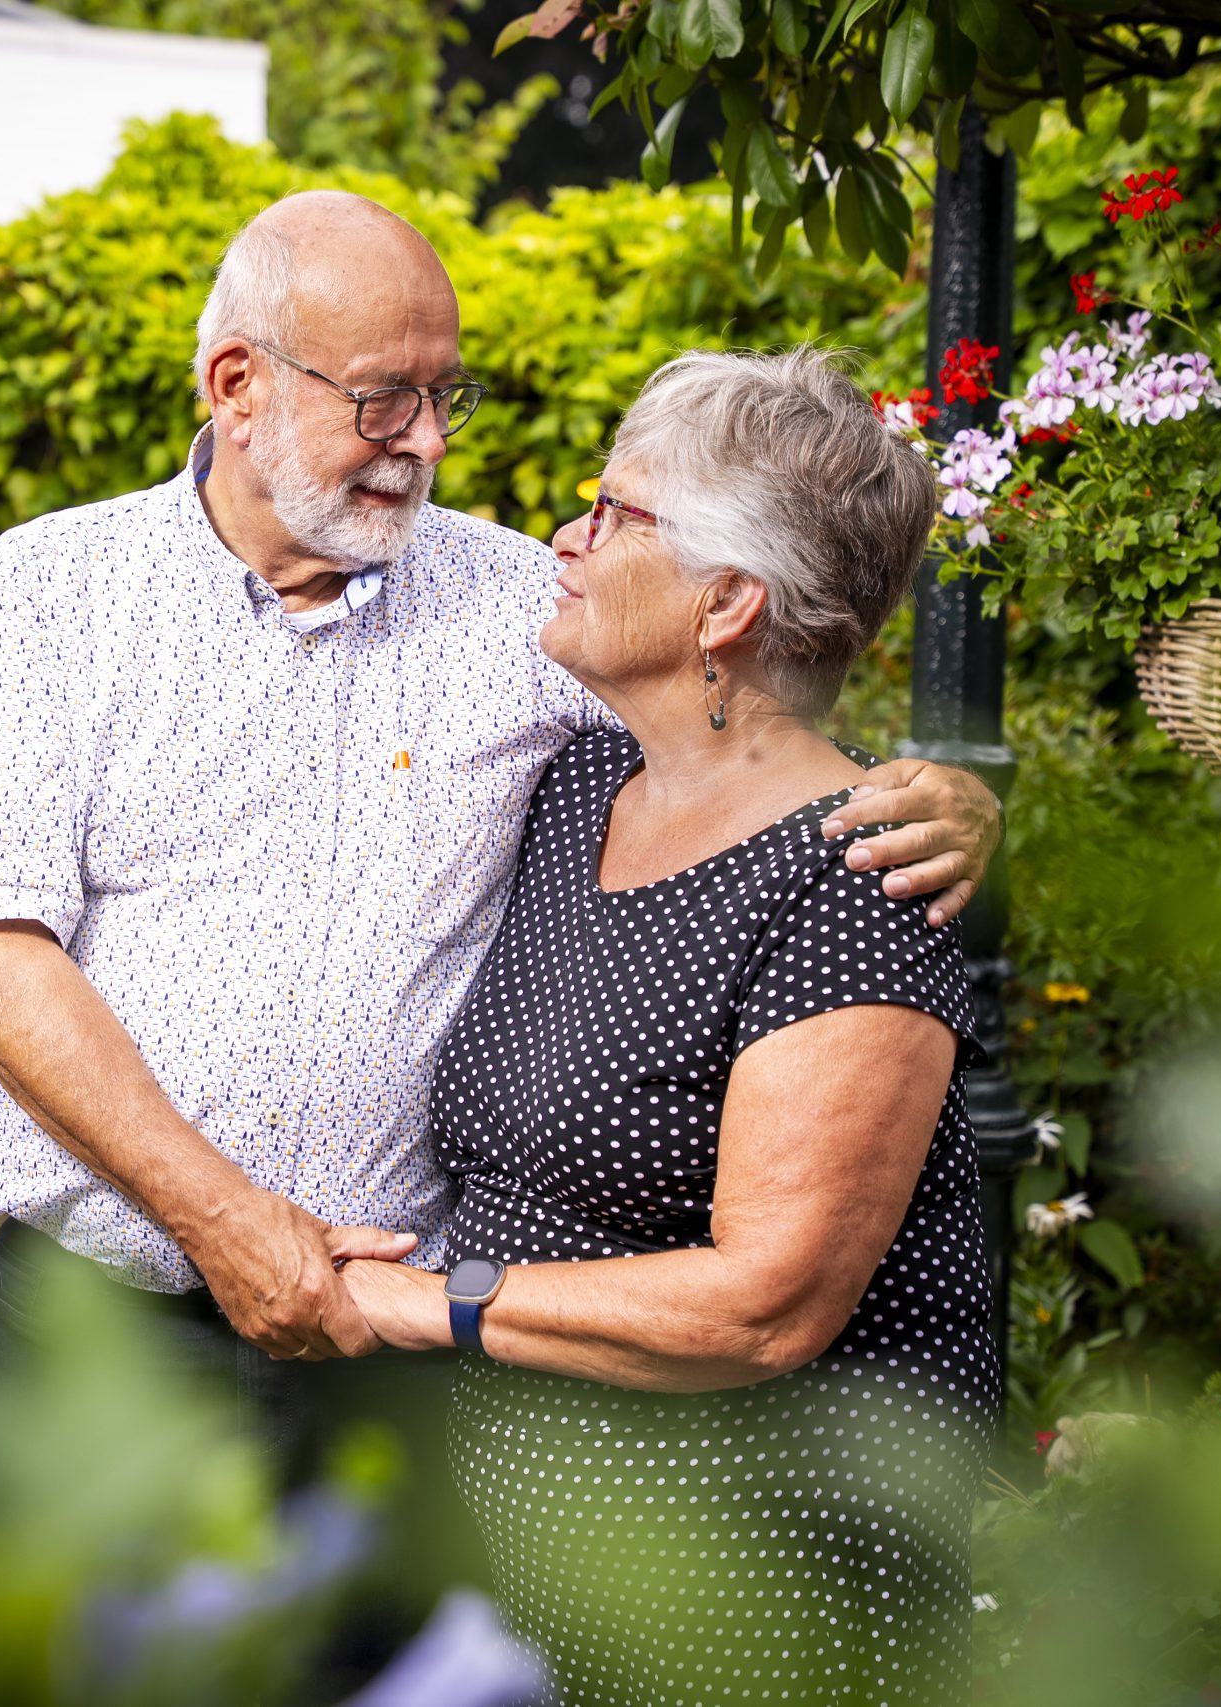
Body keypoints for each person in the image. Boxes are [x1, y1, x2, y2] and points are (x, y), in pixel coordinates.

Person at [0, 192, 1002, 1459]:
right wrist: (226, 1222)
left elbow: (728, 746)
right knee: (72, 1662)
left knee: (380, 1667)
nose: (423, 441)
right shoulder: (57, 589)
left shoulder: (527, 605)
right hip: (100, 1327)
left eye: (442, 395)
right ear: (237, 385)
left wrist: (934, 793)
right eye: (380, 398)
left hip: (408, 1352)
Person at [338, 348, 998, 1705]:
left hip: (751, 1600)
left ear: (727, 603)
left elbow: (765, 1302)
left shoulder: (854, 880)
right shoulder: (582, 781)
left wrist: (422, 1302)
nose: (563, 539)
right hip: (541, 1577)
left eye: (614, 512)